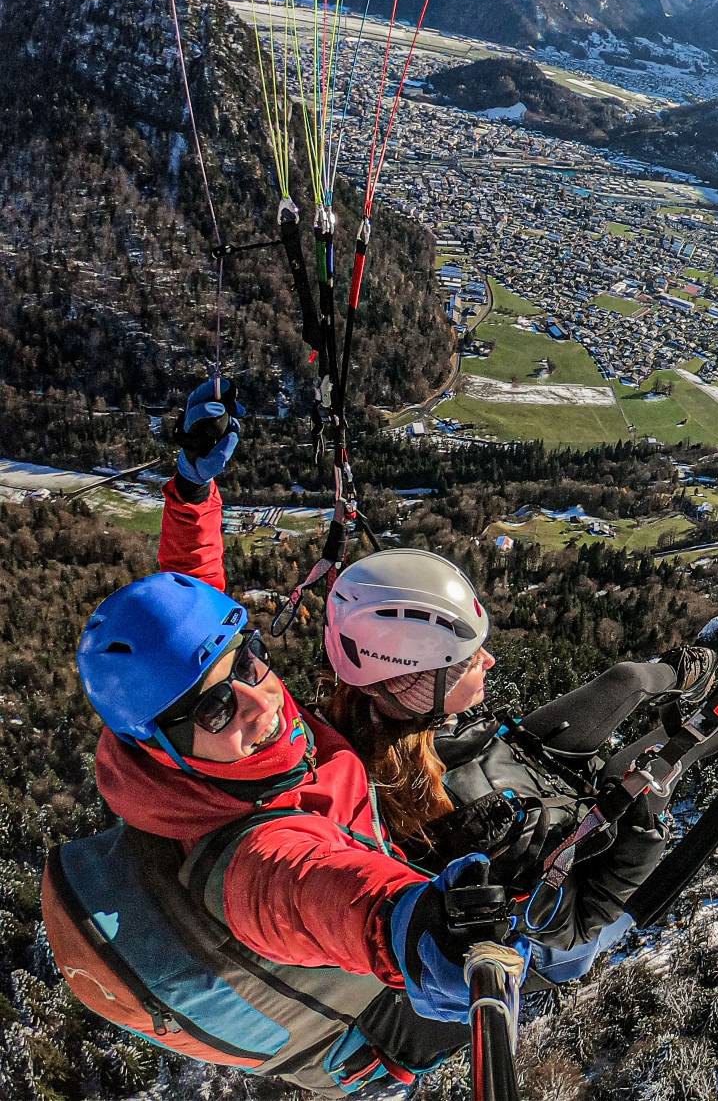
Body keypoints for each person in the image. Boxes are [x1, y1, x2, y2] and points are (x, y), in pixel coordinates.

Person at [70, 381, 524, 1091]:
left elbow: (192, 606)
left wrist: (192, 494)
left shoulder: (186, 738)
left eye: (249, 663)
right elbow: (311, 893)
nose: (259, 703)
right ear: (163, 748)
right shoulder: (249, 861)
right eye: (216, 711)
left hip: (363, 848)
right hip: (386, 1017)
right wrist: (415, 925)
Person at [320, 547, 718, 983]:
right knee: (674, 745)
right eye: (467, 661)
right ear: (423, 689)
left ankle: (693, 673)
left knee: (625, 680)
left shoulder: (381, 710)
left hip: (521, 769)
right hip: (577, 863)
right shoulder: (460, 831)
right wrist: (640, 825)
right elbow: (575, 923)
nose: (489, 661)